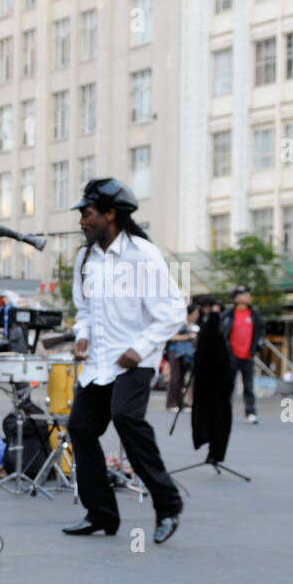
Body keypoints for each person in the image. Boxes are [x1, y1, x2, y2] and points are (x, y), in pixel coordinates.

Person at [63, 178, 184, 544]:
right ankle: (101, 514)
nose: (82, 221)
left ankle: (168, 505)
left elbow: (173, 311)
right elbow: (83, 308)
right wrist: (82, 335)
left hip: (135, 359)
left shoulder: (141, 255)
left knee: (126, 418)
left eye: (87, 214)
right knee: (81, 429)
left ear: (110, 215)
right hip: (99, 361)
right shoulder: (86, 258)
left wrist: (141, 346)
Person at [220, 285, 264, 424]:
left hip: (248, 356)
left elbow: (260, 333)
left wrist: (257, 346)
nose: (247, 297)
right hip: (231, 356)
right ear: (237, 298)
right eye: (244, 294)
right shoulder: (228, 315)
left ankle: (250, 413)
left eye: (248, 294)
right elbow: (222, 333)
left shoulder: (254, 315)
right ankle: (225, 412)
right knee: (228, 386)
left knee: (249, 387)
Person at [165, 304, 200, 412]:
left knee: (182, 379)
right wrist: (189, 336)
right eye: (195, 314)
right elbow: (172, 337)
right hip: (175, 352)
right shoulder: (179, 322)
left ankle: (180, 402)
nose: (197, 316)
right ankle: (171, 403)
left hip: (187, 354)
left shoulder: (193, 325)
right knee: (175, 378)